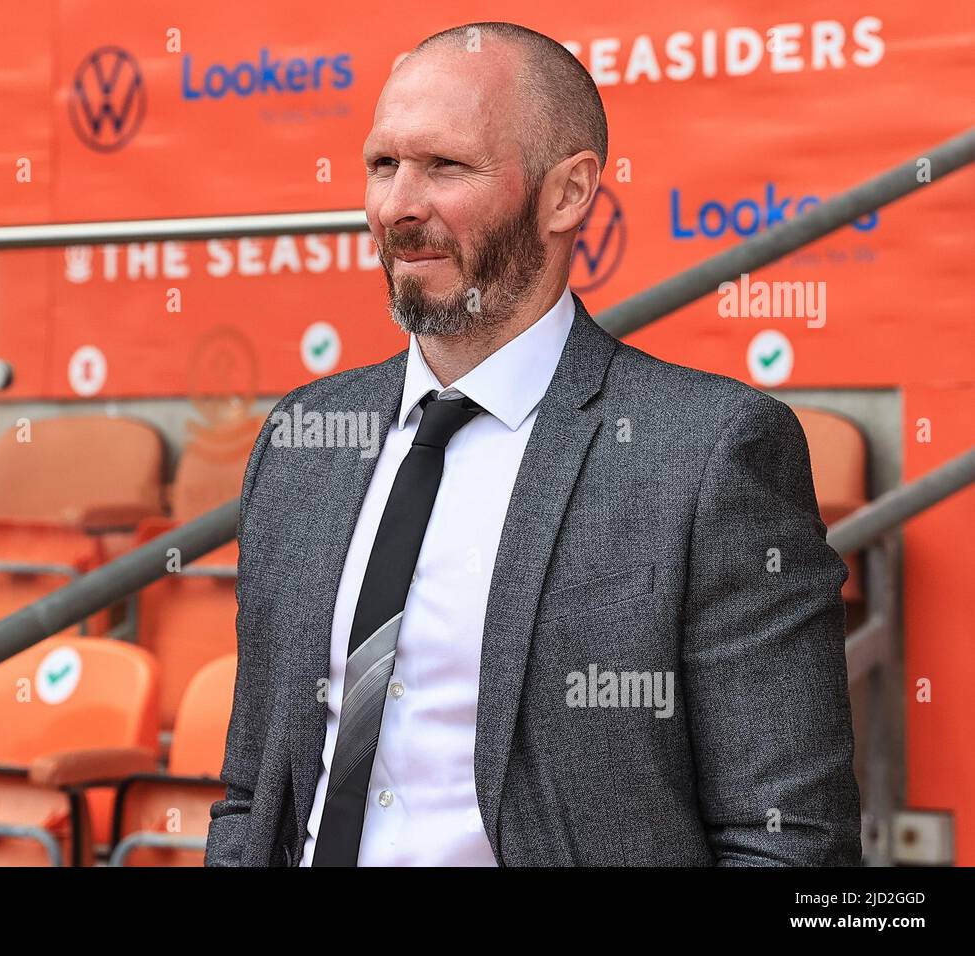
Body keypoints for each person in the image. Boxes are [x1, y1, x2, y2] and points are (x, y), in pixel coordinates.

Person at [205, 21, 860, 866]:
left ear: (567, 194)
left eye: (445, 166)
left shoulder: (709, 453)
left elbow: (790, 841)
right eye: (382, 165)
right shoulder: (301, 443)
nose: (398, 205)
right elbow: (255, 788)